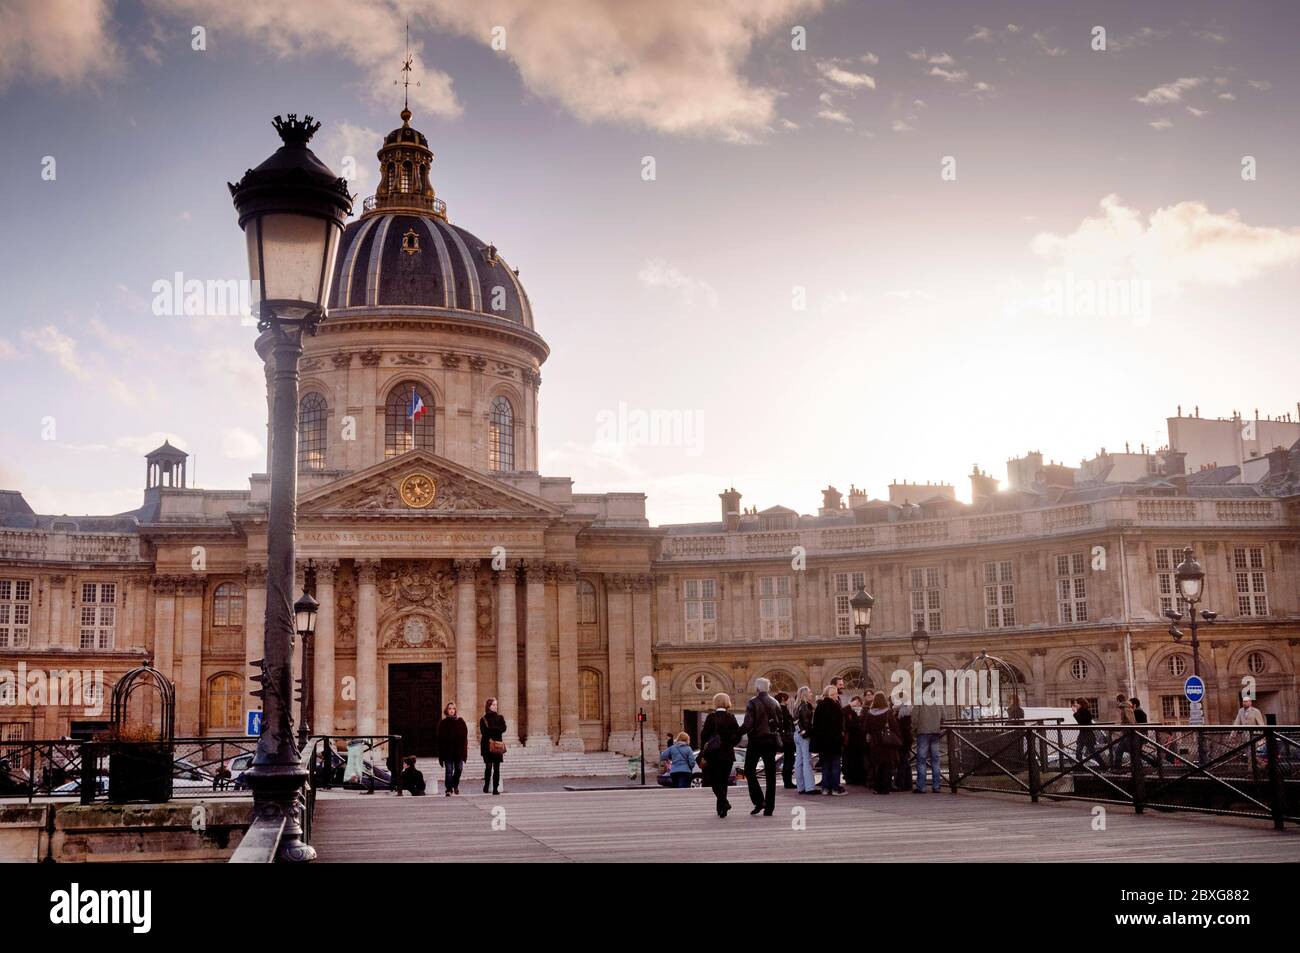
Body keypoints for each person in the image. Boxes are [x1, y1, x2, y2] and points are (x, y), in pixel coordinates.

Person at [736, 677, 784, 815]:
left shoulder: (753, 702)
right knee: (771, 774)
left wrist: (735, 733)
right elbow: (780, 724)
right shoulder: (775, 702)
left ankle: (759, 801)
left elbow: (748, 724)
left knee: (749, 771)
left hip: (756, 741)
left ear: (757, 689)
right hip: (771, 742)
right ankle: (769, 807)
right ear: (768, 688)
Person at [700, 692, 740, 817]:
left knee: (714, 781)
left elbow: (704, 736)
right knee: (723, 781)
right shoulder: (731, 717)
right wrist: (730, 744)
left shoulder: (711, 717)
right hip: (727, 754)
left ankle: (723, 804)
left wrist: (704, 751)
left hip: (713, 754)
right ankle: (722, 808)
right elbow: (737, 735)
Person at [862, 692, 902, 794]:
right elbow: (895, 727)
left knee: (877, 765)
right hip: (887, 742)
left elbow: (866, 727)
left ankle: (877, 787)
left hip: (875, 742)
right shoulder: (888, 712)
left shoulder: (870, 713)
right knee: (887, 765)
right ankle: (886, 787)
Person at [812, 684, 846, 795]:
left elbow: (815, 724)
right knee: (836, 765)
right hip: (834, 740)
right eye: (836, 693)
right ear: (832, 694)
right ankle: (835, 788)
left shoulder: (819, 706)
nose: (837, 695)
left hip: (823, 741)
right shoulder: (836, 706)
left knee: (825, 765)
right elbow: (840, 724)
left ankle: (825, 788)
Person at [912, 695, 943, 793]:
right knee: (935, 760)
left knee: (921, 760)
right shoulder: (938, 700)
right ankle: (936, 786)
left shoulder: (919, 701)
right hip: (935, 732)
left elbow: (914, 718)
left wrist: (914, 729)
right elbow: (944, 716)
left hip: (923, 733)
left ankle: (921, 786)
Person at [437, 701, 468, 796]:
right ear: (446, 710)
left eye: (453, 708)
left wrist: (464, 752)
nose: (451, 710)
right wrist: (441, 754)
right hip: (447, 752)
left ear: (455, 710)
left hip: (458, 751)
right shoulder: (443, 723)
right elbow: (439, 739)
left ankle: (455, 785)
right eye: (449, 708)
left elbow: (464, 737)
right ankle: (449, 789)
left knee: (459, 769)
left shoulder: (460, 722)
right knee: (449, 771)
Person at [791, 686, 817, 794]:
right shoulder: (806, 707)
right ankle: (810, 787)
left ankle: (800, 786)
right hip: (804, 736)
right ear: (805, 694)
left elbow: (796, 722)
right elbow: (807, 724)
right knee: (807, 761)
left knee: (799, 761)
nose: (812, 694)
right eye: (810, 692)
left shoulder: (796, 707)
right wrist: (807, 732)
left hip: (797, 735)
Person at [479, 697, 507, 794]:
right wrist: (496, 729)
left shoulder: (500, 717)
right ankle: (486, 785)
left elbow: (503, 728)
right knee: (488, 766)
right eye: (493, 705)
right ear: (489, 706)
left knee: (497, 767)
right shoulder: (483, 719)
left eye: (496, 705)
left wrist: (492, 729)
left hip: (497, 745)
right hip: (486, 745)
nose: (495, 706)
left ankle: (495, 788)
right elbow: (484, 732)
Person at [1072, 697, 1103, 769]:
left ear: (1080, 704)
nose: (1075, 704)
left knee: (1091, 752)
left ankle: (1102, 766)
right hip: (1083, 734)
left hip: (1087, 734)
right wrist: (1076, 713)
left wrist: (1075, 713)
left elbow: (1081, 722)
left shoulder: (1085, 711)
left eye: (1076, 703)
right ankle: (1081, 767)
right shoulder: (1081, 711)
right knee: (1079, 751)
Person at [775, 691, 796, 789]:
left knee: (789, 759)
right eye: (787, 698)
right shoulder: (782, 710)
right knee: (789, 759)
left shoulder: (779, 709)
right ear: (783, 699)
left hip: (785, 738)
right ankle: (788, 782)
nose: (788, 700)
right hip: (787, 738)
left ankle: (787, 781)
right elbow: (787, 724)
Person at [893, 700, 914, 791]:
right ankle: (908, 783)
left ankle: (900, 784)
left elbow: (902, 729)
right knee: (905, 761)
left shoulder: (902, 714)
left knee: (902, 761)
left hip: (902, 740)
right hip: (907, 740)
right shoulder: (908, 711)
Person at [1112, 693, 1135, 768]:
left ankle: (1117, 767)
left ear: (1119, 700)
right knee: (1122, 750)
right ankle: (1117, 767)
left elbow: (1130, 720)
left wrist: (1125, 727)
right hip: (1127, 732)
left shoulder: (1125, 708)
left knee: (1120, 750)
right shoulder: (1127, 707)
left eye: (1117, 701)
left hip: (1127, 732)